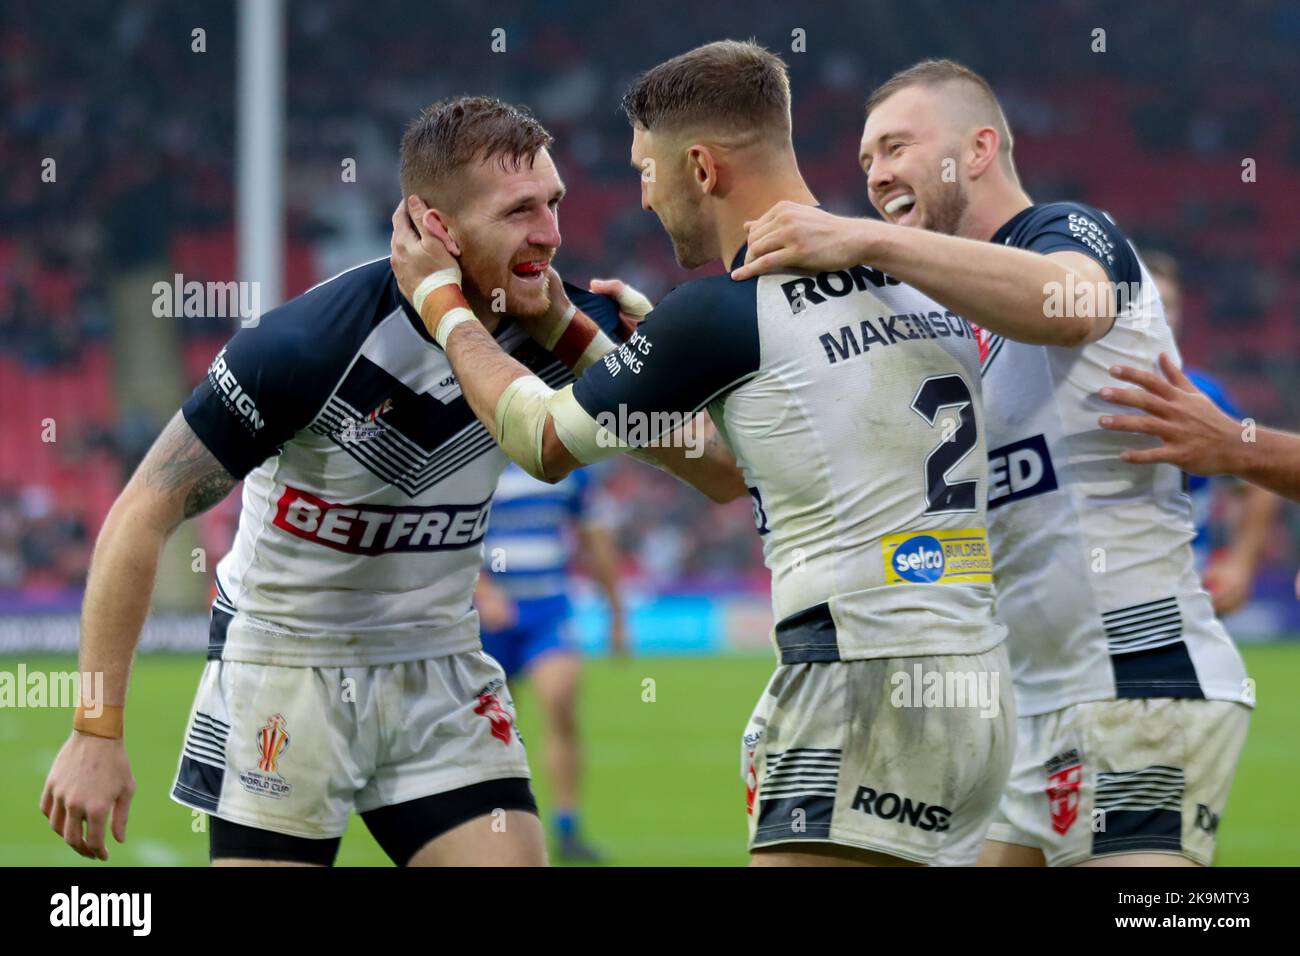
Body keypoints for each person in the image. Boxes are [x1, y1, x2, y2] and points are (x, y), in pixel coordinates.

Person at [40, 95, 736, 867]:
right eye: (518, 212)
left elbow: (719, 472)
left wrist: (595, 350)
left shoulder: (552, 325)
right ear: (435, 225)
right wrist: (94, 730)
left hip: (436, 664)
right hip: (286, 665)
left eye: (555, 203)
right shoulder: (307, 343)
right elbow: (144, 508)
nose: (550, 232)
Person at [391, 41, 1015, 867]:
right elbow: (727, 469)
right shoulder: (910, 272)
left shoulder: (725, 311)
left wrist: (440, 303)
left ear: (701, 167)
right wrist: (579, 339)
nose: (644, 198)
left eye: (647, 171)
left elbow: (539, 440)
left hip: (862, 681)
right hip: (974, 684)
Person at [730, 59, 1252, 867]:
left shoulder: (1072, 233)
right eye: (867, 160)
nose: (877, 174)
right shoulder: (936, 316)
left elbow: (1068, 306)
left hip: (1137, 684)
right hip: (1022, 703)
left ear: (978, 149)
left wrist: (870, 239)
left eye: (897, 147)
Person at [477, 461, 627, 861]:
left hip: (548, 609)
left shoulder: (565, 466)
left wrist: (616, 613)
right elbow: (451, 534)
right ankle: (499, 828)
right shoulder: (475, 462)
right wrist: (483, 591)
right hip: (489, 616)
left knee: (560, 703)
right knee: (494, 731)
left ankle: (567, 826)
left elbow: (594, 538)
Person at [1135, 252, 1279, 613]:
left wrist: (1238, 565)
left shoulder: (1206, 397)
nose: (1159, 316)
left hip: (1184, 597)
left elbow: (1259, 480)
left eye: (1167, 305)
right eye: (1145, 304)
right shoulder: (1075, 391)